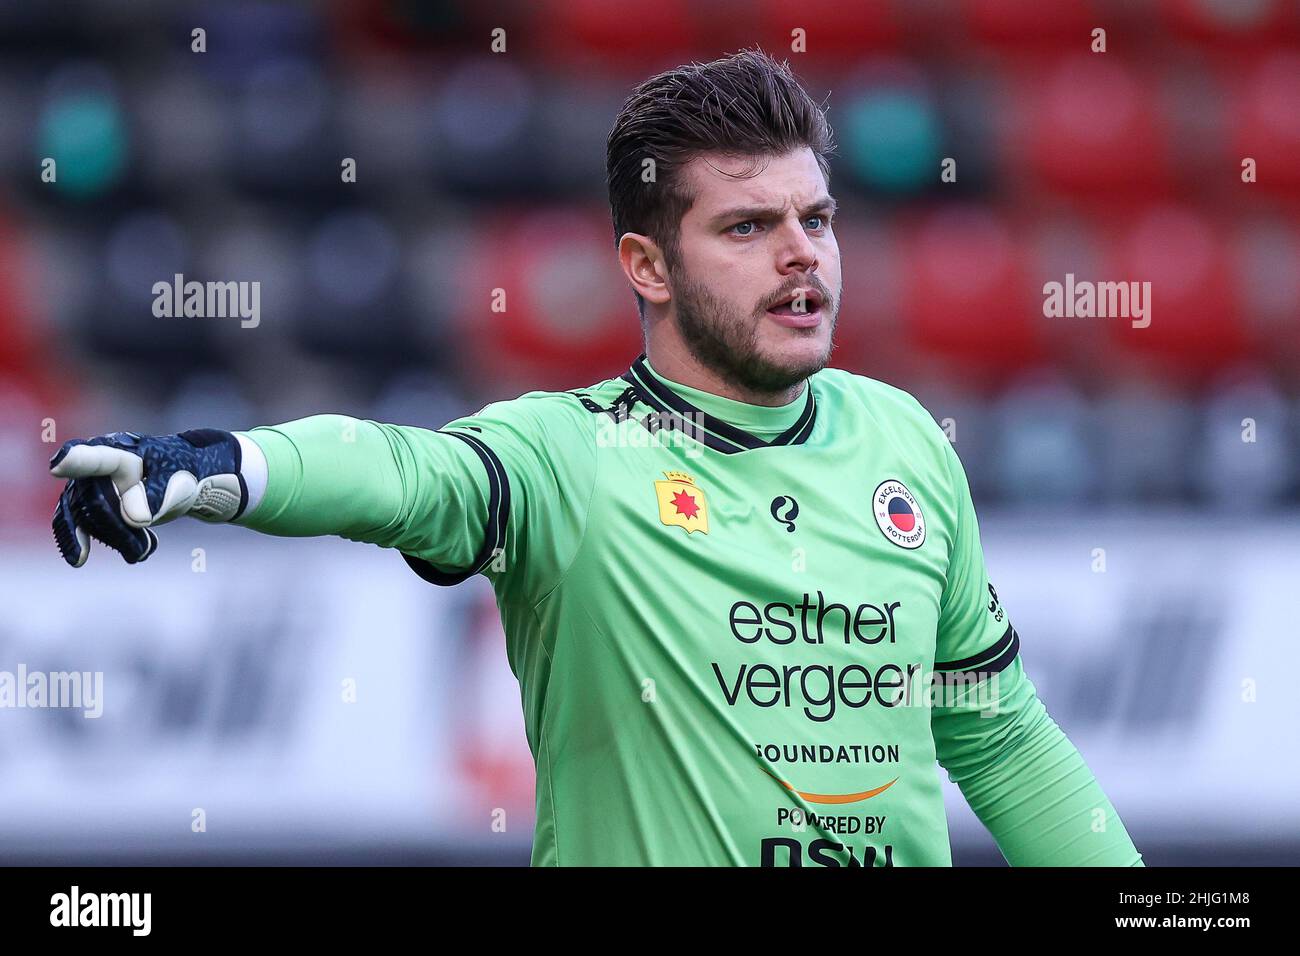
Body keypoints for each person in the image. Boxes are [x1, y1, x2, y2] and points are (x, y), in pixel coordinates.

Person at [48, 49, 1142, 867]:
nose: (803, 251)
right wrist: (229, 463)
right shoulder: (570, 453)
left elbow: (997, 744)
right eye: (748, 227)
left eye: (817, 217)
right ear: (646, 264)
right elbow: (403, 474)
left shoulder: (905, 441)